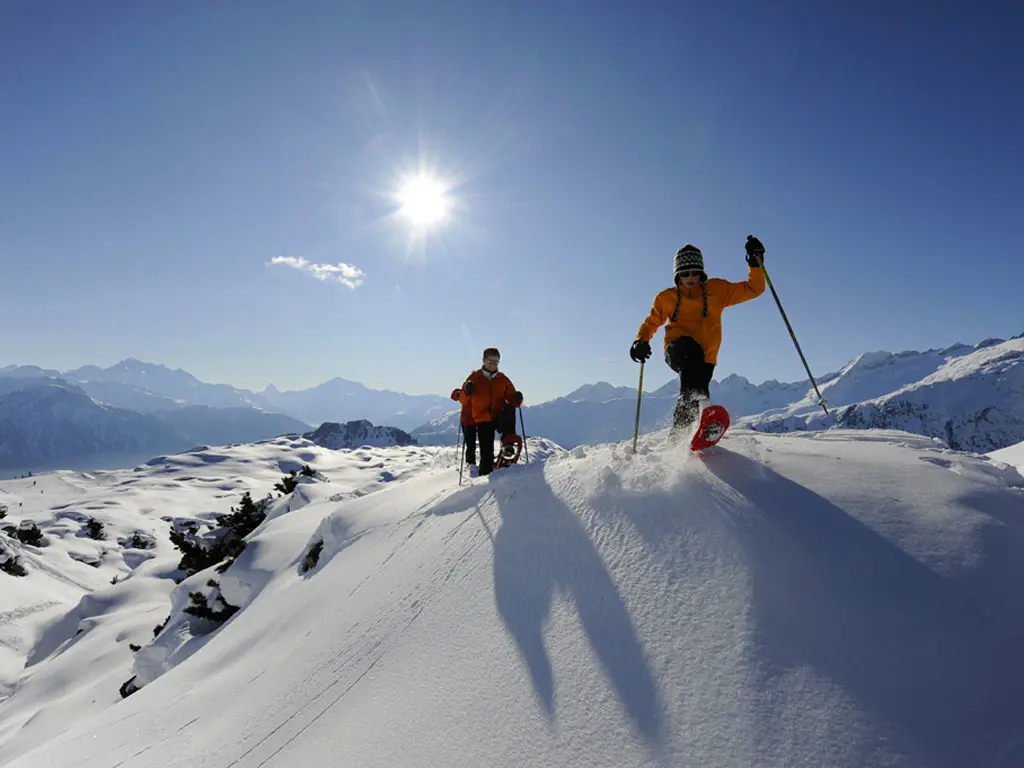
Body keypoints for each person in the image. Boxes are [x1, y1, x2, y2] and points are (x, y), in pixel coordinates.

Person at [630, 235, 767, 437]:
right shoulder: (666, 298)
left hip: (707, 357)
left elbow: (754, 289)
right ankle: (701, 416)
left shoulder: (717, 290)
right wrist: (641, 341)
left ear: (702, 272)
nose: (691, 277)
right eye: (685, 273)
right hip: (677, 349)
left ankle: (682, 437)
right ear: (677, 275)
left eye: (695, 272)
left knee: (695, 391)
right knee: (690, 360)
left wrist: (756, 264)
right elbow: (652, 322)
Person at [459, 347, 524, 476]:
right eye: (491, 361)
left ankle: (508, 443)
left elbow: (511, 398)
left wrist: (517, 399)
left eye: (496, 362)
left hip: (498, 415)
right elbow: (463, 399)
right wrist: (467, 391)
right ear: (483, 361)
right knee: (486, 453)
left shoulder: (502, 379)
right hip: (482, 419)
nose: (494, 365)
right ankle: (484, 478)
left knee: (509, 408)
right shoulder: (475, 378)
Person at [450, 385, 477, 466]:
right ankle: (470, 463)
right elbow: (454, 396)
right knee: (471, 444)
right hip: (469, 421)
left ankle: (472, 464)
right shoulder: (467, 386)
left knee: (473, 443)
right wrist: (460, 393)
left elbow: (454, 396)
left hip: (475, 420)